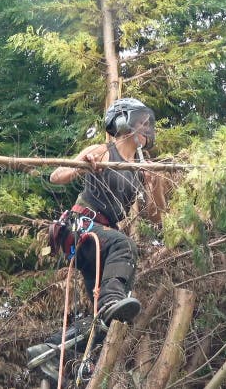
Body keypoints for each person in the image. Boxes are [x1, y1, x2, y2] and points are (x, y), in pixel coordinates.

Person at [49, 97, 166, 324]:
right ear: (123, 121)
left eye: (148, 124)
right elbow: (56, 176)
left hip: (103, 244)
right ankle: (110, 301)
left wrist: (156, 185)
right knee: (124, 245)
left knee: (107, 318)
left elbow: (156, 217)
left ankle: (54, 348)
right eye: (141, 122)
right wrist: (83, 162)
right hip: (83, 226)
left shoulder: (141, 170)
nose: (147, 128)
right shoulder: (102, 151)